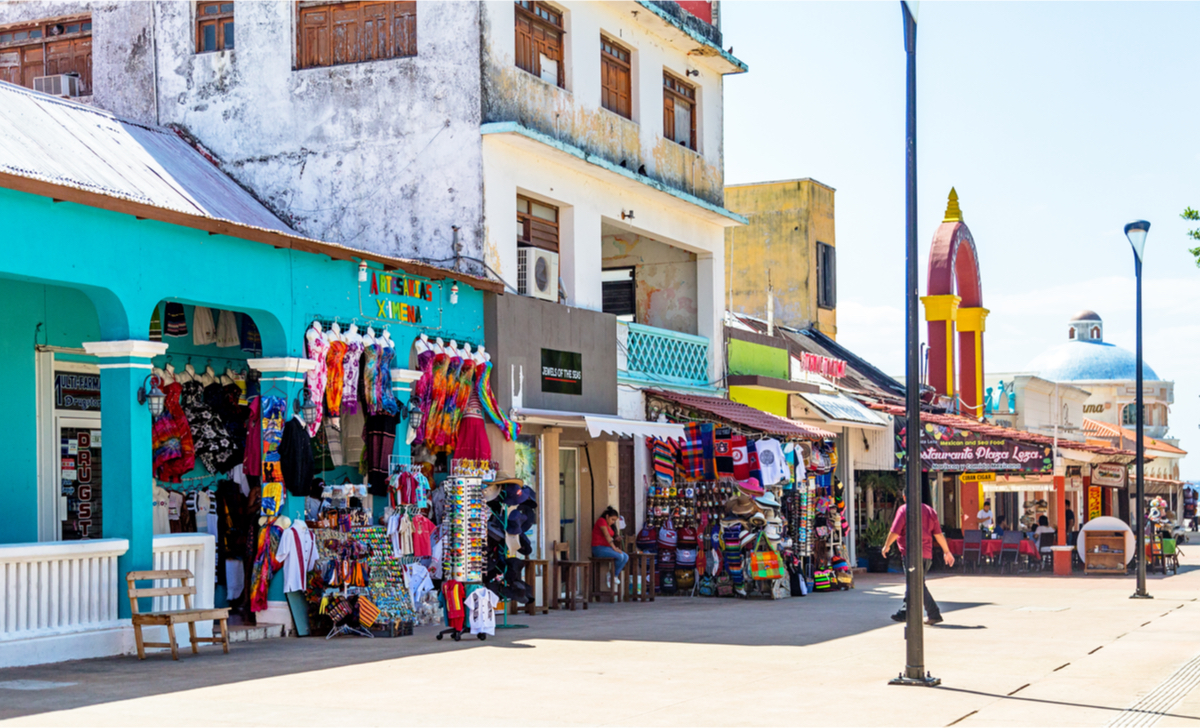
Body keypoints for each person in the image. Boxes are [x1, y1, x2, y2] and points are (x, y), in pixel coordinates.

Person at [883, 492, 955, 626]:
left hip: (911, 554)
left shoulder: (904, 510)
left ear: (904, 497)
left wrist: (887, 545)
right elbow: (938, 534)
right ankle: (909, 611)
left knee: (916, 583)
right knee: (915, 582)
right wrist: (947, 551)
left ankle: (930, 613)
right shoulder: (930, 511)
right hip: (926, 555)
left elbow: (895, 531)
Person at [591, 506, 629, 577]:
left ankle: (613, 575)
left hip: (608, 548)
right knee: (620, 556)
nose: (613, 522)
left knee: (626, 557)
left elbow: (610, 537)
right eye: (612, 519)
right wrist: (614, 548)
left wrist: (616, 538)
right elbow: (606, 535)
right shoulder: (601, 521)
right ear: (607, 516)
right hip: (598, 548)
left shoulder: (610, 526)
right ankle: (612, 575)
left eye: (615, 520)